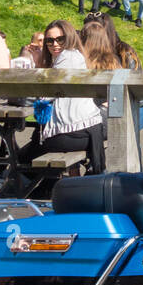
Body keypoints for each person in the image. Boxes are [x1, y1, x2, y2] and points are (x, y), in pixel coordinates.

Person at [29, 20, 107, 174]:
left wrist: (38, 65)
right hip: (88, 130)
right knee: (35, 143)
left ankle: (22, 186)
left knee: (29, 153)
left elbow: (44, 96)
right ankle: (60, 184)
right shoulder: (73, 56)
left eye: (60, 39)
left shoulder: (67, 57)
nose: (55, 44)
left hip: (75, 134)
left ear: (69, 38)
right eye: (50, 41)